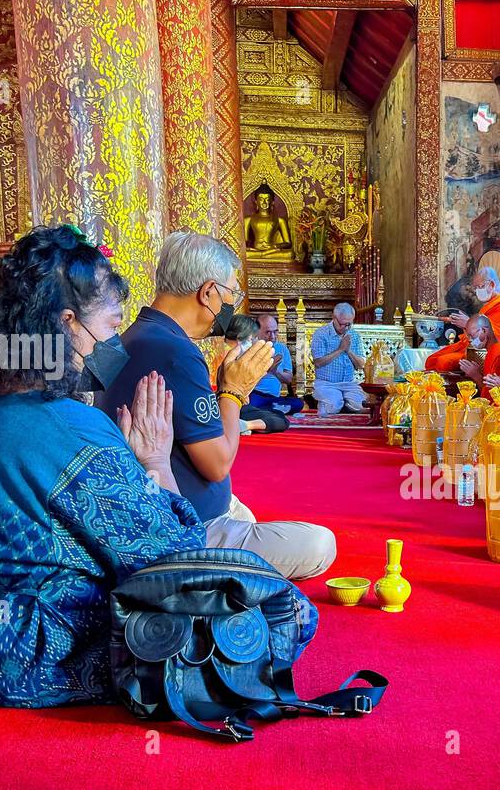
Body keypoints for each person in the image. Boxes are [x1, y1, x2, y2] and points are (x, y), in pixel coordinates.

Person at [0, 225, 208, 707]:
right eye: (110, 324)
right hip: (39, 659)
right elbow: (175, 562)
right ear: (67, 323)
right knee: (281, 611)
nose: (114, 341)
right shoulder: (73, 427)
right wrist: (157, 463)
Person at [101, 230, 336, 579]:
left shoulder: (130, 337)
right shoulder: (176, 351)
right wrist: (233, 392)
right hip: (190, 527)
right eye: (229, 294)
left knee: (247, 515)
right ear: (208, 292)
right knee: (320, 544)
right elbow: (218, 464)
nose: (229, 307)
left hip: (170, 507)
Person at [424, 265, 500, 371]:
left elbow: (495, 336)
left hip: (480, 352)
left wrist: (467, 323)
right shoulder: (490, 303)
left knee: (442, 362)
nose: (477, 291)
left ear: (491, 285)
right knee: (432, 359)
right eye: (476, 287)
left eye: (480, 286)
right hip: (469, 346)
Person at [310, 303, 367, 415]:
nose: (345, 328)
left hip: (349, 383)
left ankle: (346, 402)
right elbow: (318, 363)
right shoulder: (321, 334)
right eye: (342, 324)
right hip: (327, 383)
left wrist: (348, 350)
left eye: (348, 324)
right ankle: (335, 402)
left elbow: (361, 365)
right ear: (334, 318)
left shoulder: (354, 335)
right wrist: (340, 349)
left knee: (362, 406)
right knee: (332, 408)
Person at [245, 312, 304, 420]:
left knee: (298, 403)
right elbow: (244, 380)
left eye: (275, 332)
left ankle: (267, 410)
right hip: (255, 395)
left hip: (274, 398)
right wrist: (264, 370)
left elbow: (288, 379)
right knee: (248, 404)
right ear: (257, 331)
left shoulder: (282, 349)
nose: (272, 336)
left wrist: (275, 371)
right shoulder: (250, 348)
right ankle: (273, 410)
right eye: (268, 332)